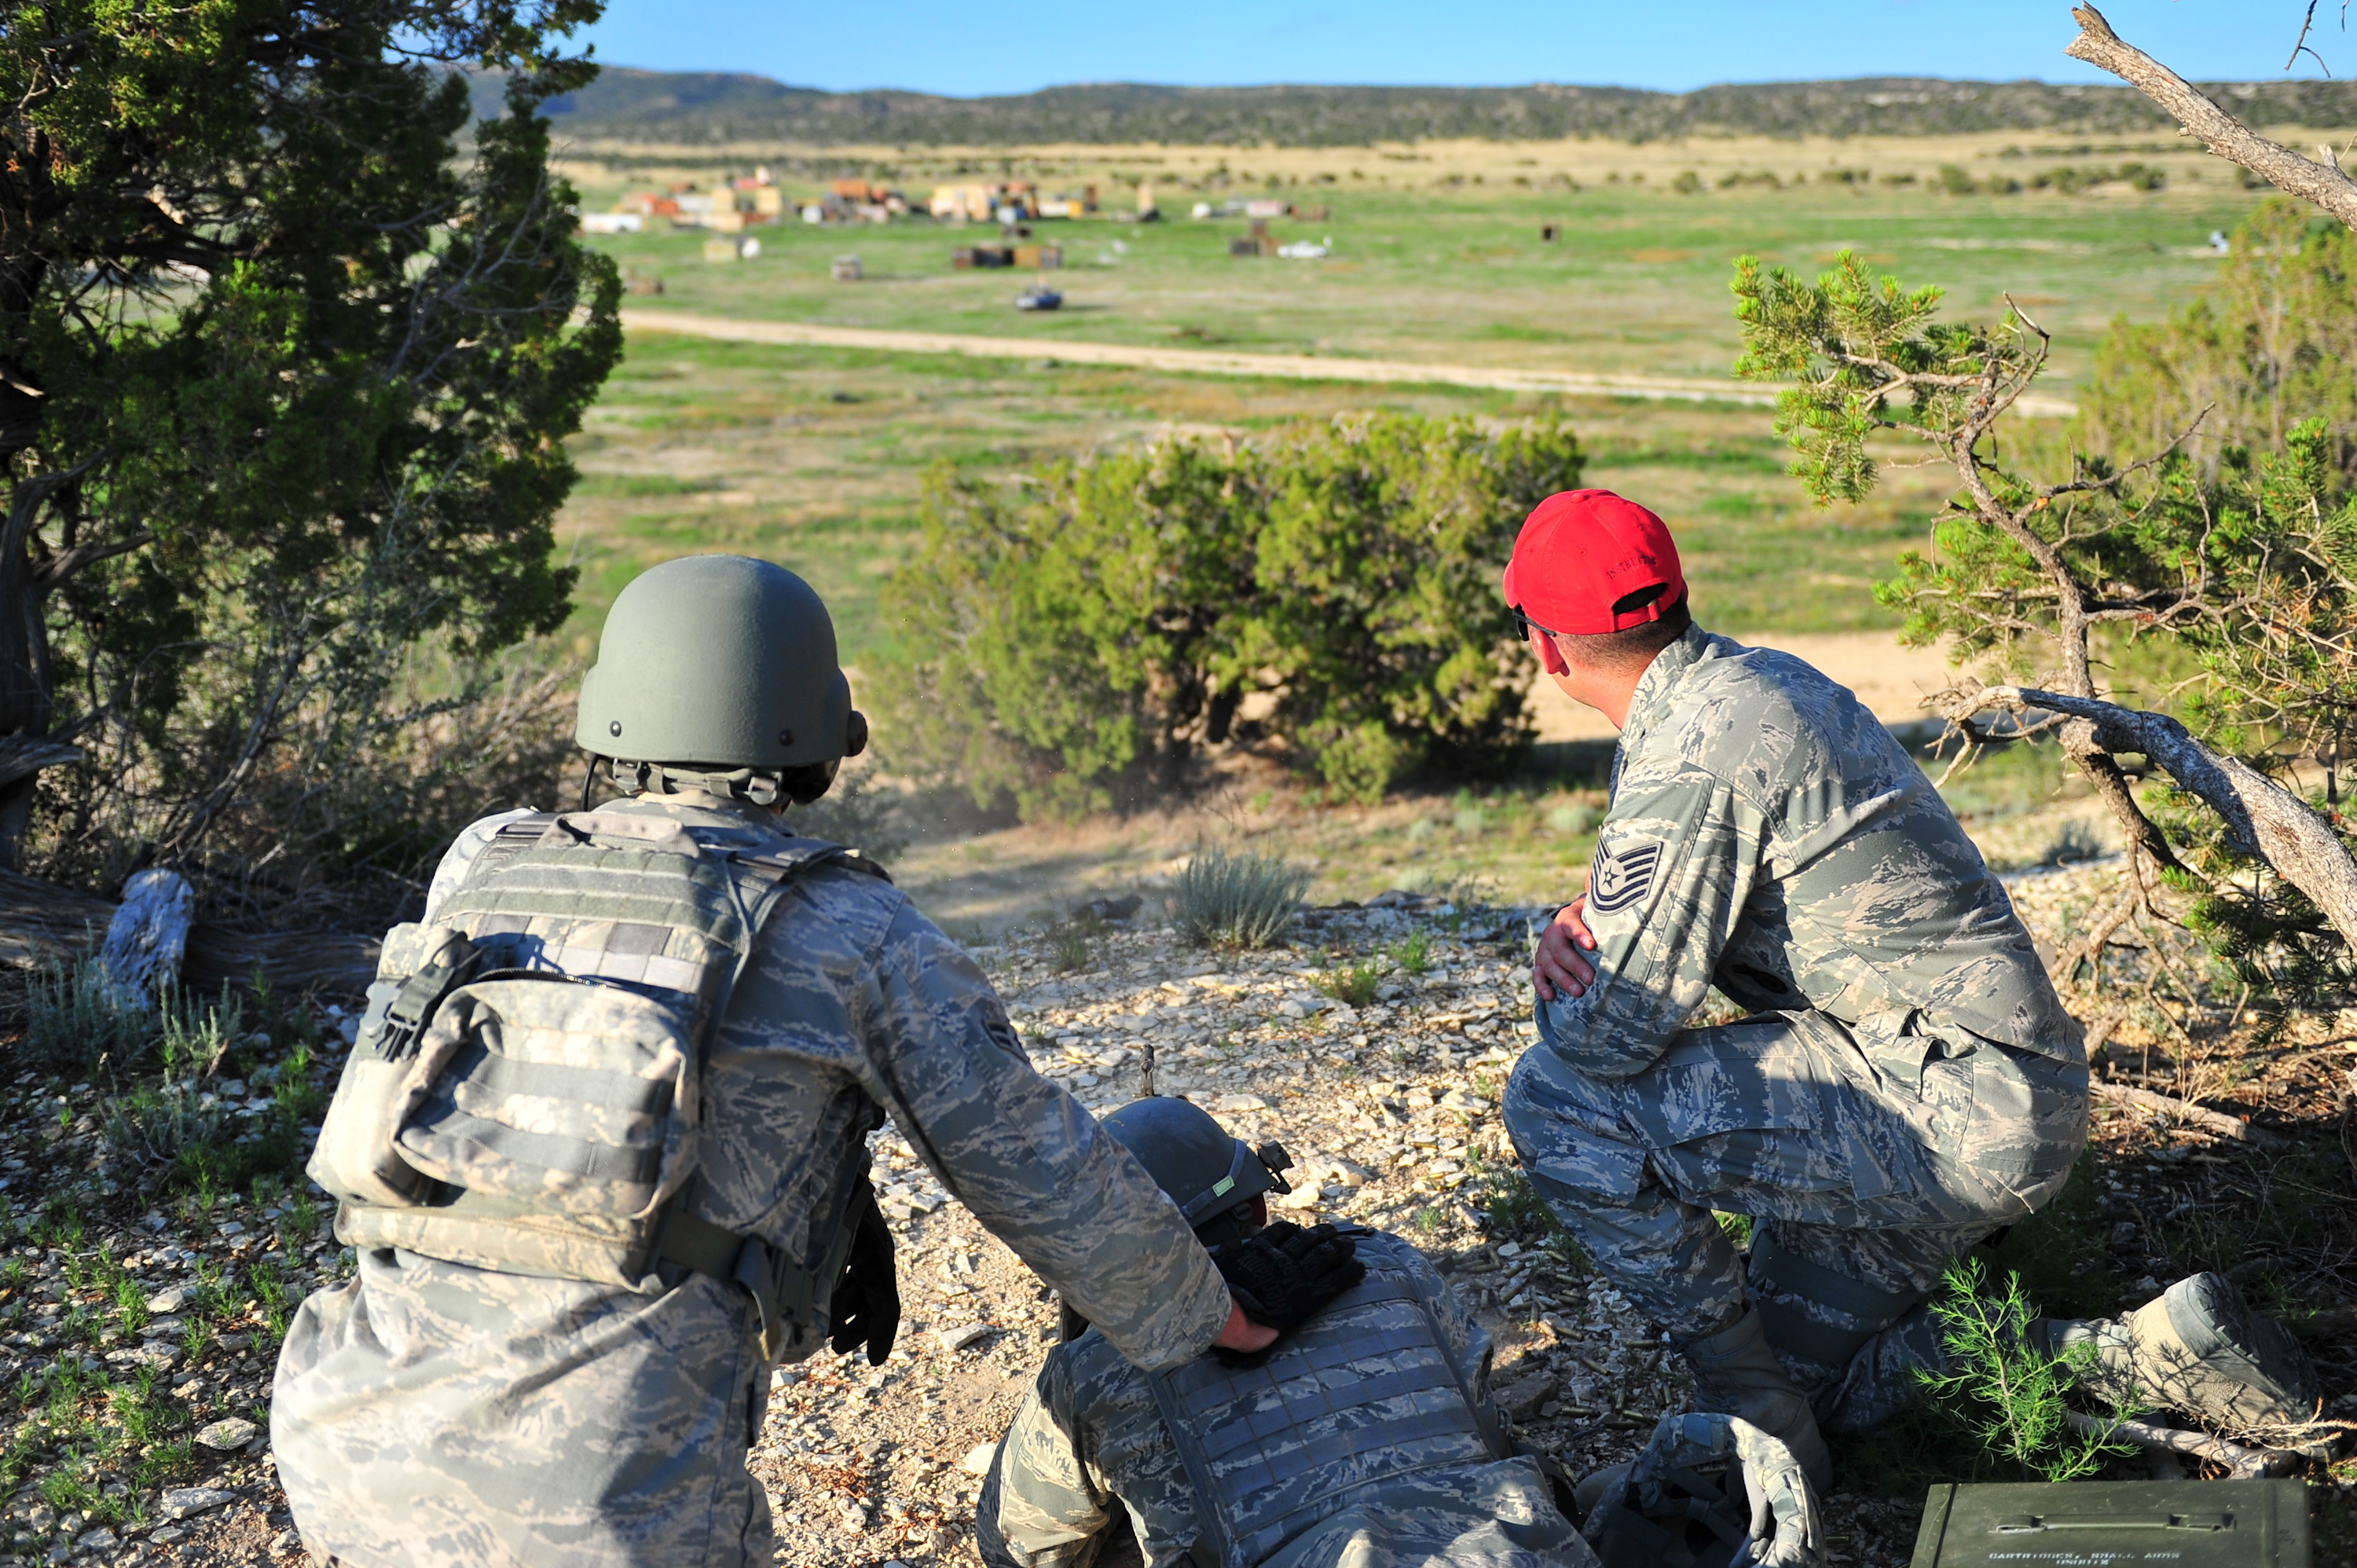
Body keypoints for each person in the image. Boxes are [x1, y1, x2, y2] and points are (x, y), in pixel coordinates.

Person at [271, 555, 1358, 1568]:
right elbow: (1042, 1167)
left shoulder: (482, 860)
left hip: (343, 1438)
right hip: (604, 1498)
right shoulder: (849, 930)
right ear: (811, 734)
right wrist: (1214, 1312)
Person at [1496, 489, 2317, 1484]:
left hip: (1934, 1108)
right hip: (1994, 1093)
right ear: (1675, 590)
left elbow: (1606, 1035)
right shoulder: (1751, 683)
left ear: (1548, 648)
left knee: (1555, 1097)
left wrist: (1558, 965)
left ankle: (1746, 1402)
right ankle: (2138, 1354)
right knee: (1821, 1388)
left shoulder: (1690, 751)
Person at [977, 1096, 1824, 1568]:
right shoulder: (1381, 1264)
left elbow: (1019, 1545)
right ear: (1259, 1205)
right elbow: (1485, 1434)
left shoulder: (1092, 1371)